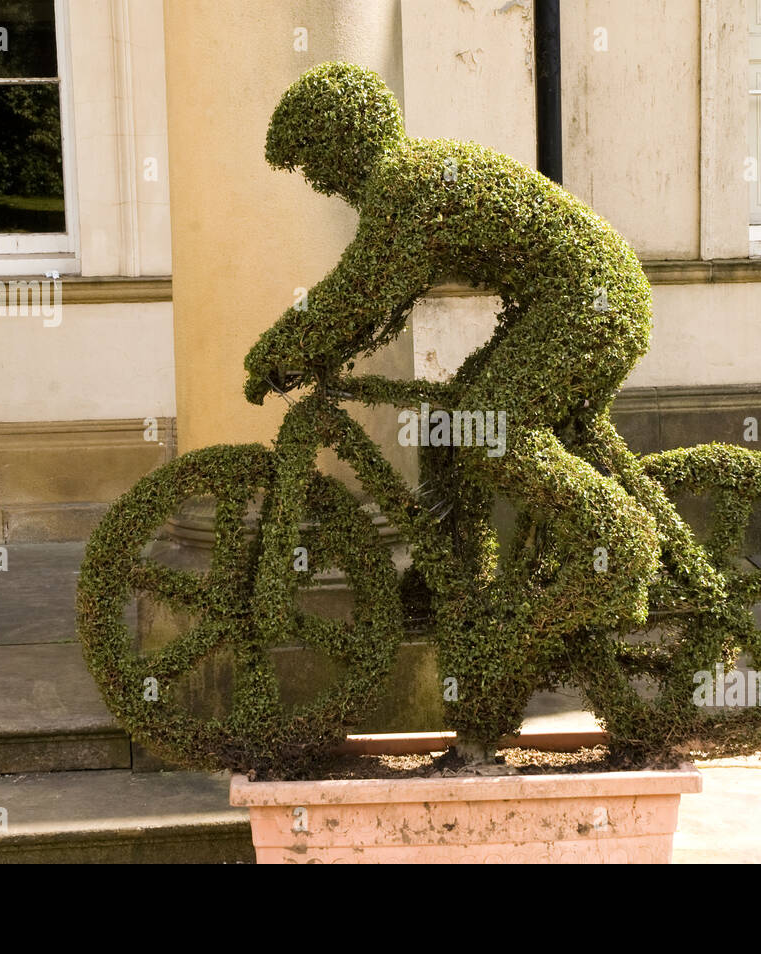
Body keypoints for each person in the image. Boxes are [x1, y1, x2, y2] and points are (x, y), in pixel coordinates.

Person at [245, 63, 660, 747]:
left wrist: (281, 346)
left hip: (588, 301)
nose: (321, 182)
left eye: (315, 163)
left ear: (343, 143)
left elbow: (361, 289)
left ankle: (619, 538)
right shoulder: (408, 181)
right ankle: (457, 589)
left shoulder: (405, 184)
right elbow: (374, 289)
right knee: (450, 423)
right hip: (563, 299)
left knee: (492, 433)